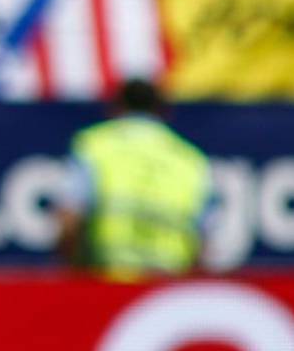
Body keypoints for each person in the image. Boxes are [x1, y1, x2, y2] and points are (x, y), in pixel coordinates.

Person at [55, 78, 212, 281]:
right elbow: (203, 244)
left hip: (107, 281)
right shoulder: (190, 160)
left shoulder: (94, 147)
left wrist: (76, 276)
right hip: (165, 288)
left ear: (116, 108)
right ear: (163, 112)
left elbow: (70, 222)